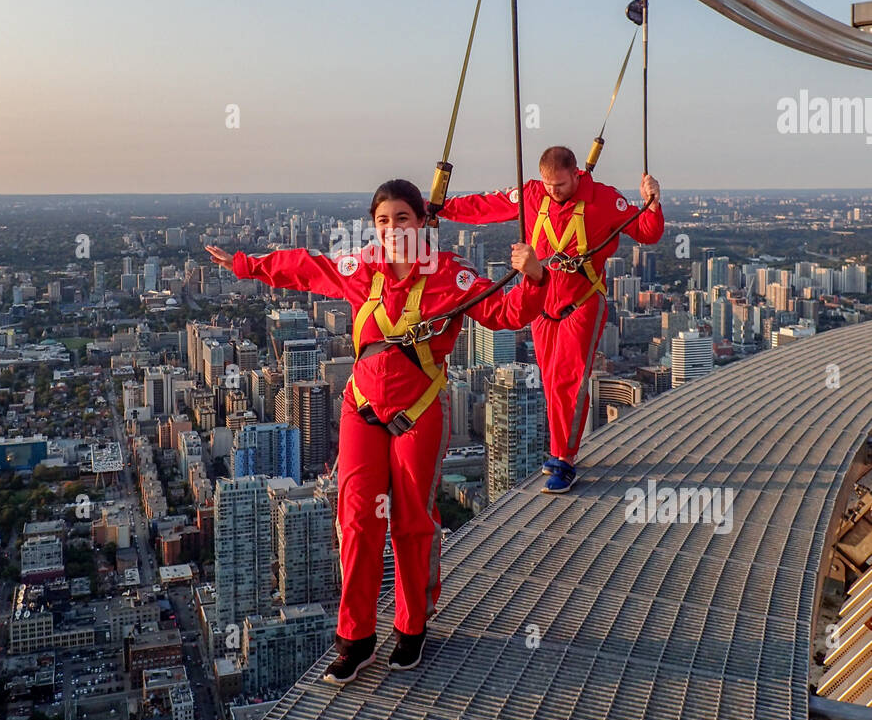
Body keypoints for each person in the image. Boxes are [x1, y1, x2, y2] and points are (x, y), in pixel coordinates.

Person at [205, 178, 550, 684]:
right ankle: (357, 636)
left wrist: (535, 278)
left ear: (423, 222)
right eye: (383, 221)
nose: (392, 230)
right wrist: (246, 264)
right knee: (357, 520)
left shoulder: (449, 276)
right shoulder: (362, 268)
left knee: (412, 521)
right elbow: (306, 267)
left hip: (420, 409)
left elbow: (505, 313)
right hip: (362, 407)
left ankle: (412, 626)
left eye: (402, 219)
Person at [439, 146, 664, 493]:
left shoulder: (603, 200)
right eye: (548, 184)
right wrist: (443, 207)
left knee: (567, 381)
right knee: (550, 381)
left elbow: (647, 232)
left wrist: (652, 201)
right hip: (542, 304)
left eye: (559, 185)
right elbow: (489, 205)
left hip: (582, 301)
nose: (552, 191)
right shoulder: (532, 194)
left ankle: (565, 459)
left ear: (576, 174)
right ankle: (561, 450)